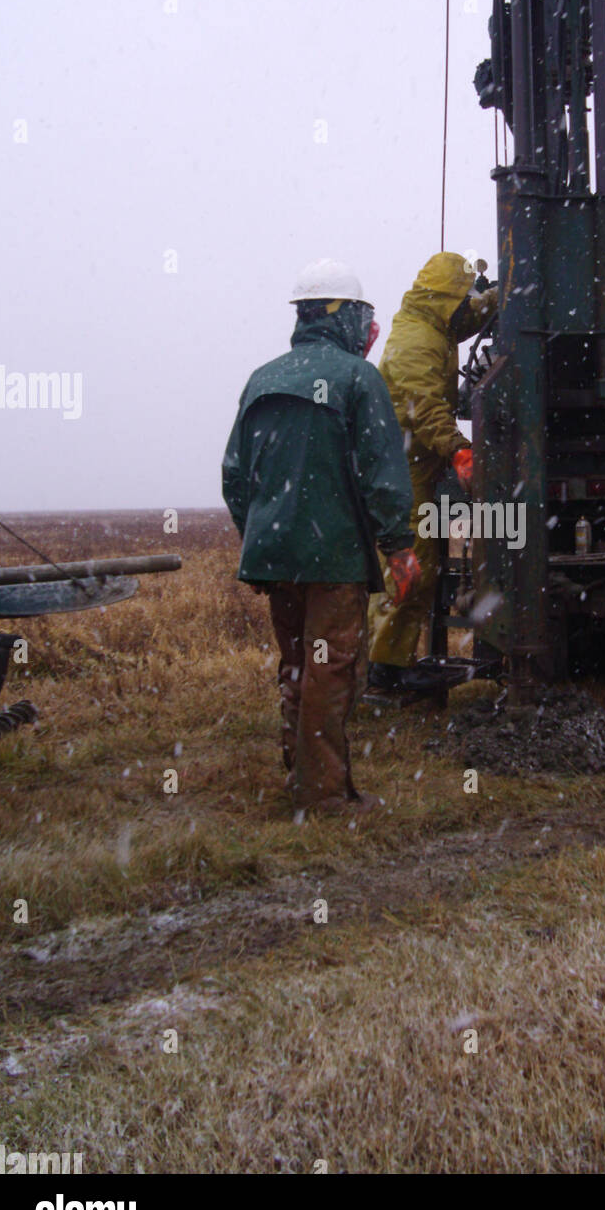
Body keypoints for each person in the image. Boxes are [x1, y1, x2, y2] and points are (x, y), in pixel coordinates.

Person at [222, 258, 421, 819]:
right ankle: (324, 796)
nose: (371, 329)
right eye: (366, 316)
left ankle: (302, 775)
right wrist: (399, 547)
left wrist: (259, 536)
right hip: (332, 558)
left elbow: (234, 475)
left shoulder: (262, 379)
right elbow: (384, 473)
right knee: (331, 670)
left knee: (297, 666)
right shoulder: (359, 379)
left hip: (275, 553)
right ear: (346, 315)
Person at [368, 251, 496, 693]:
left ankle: (390, 663)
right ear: (447, 297)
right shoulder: (416, 342)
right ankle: (385, 670)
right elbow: (422, 408)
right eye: (464, 298)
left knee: (421, 565)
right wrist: (460, 451)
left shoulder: (435, 322)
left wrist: (500, 295)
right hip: (403, 470)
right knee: (410, 568)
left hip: (417, 466)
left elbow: (471, 315)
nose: (468, 309)